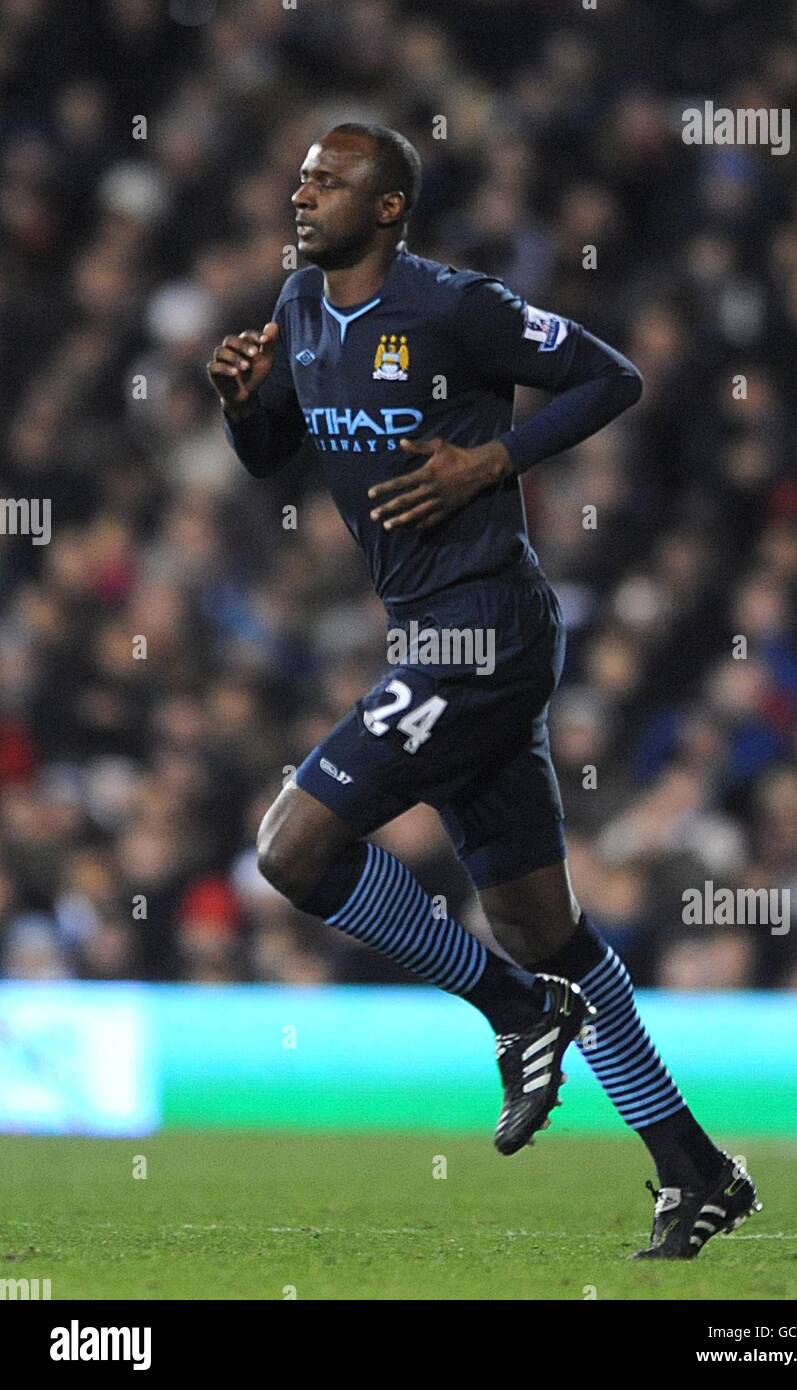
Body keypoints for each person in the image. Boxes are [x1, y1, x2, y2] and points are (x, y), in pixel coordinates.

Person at [208, 123, 760, 1257]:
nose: (301, 192)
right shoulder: (299, 308)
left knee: (294, 848)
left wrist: (490, 461)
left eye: (329, 179)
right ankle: (695, 1170)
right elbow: (272, 455)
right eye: (299, 173)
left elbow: (613, 376)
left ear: (391, 207)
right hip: (431, 633)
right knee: (543, 928)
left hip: (484, 631)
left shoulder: (454, 308)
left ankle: (513, 1014)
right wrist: (241, 401)